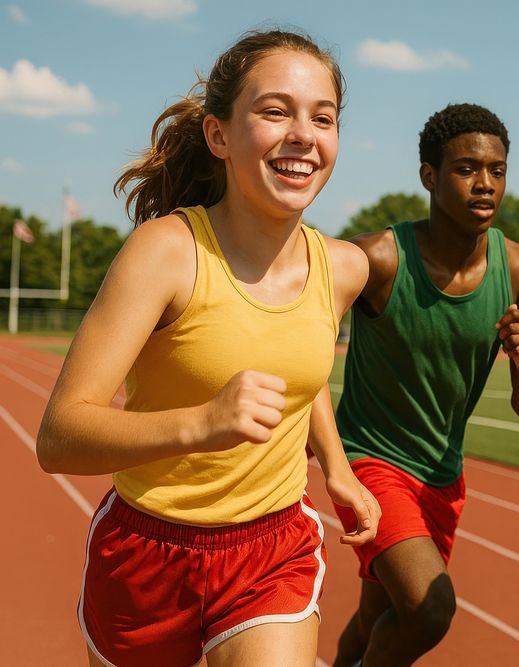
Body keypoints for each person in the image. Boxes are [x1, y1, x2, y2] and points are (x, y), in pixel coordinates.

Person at [35, 29, 379, 667]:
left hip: (271, 550)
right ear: (219, 135)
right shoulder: (165, 253)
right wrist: (204, 423)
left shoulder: (344, 269)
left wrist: (337, 468)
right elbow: (59, 437)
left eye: (323, 117)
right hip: (146, 553)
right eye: (275, 111)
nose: (304, 133)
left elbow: (300, 383)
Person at [328, 102, 519, 666]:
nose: (485, 185)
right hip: (370, 462)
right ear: (429, 175)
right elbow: (300, 340)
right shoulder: (377, 258)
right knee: (430, 610)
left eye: (497, 170)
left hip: (441, 475)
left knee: (376, 619)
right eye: (466, 169)